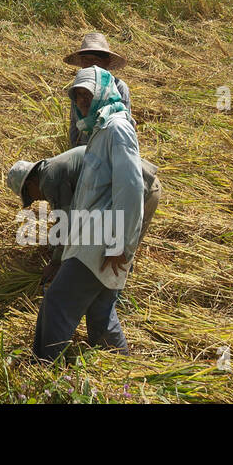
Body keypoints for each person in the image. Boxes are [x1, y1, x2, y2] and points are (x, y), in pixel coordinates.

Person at [27, 66, 145, 363]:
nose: (81, 100)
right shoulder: (99, 129)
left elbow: (130, 190)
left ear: (103, 93)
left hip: (102, 242)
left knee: (56, 303)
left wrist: (120, 245)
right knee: (99, 312)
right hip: (94, 239)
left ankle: (45, 374)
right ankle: (120, 371)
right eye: (77, 95)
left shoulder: (117, 128)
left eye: (86, 94)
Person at [6, 146, 161, 285]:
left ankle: (114, 299)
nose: (37, 200)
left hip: (140, 192)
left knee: (115, 257)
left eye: (31, 197)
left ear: (30, 184)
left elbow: (66, 223)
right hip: (136, 188)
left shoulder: (49, 179)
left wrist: (55, 264)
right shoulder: (53, 169)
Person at [64, 33, 130, 147]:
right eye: (86, 60)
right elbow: (74, 124)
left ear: (107, 62)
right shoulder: (79, 87)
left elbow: (124, 126)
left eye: (95, 59)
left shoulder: (119, 87)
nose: (90, 64)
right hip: (83, 149)